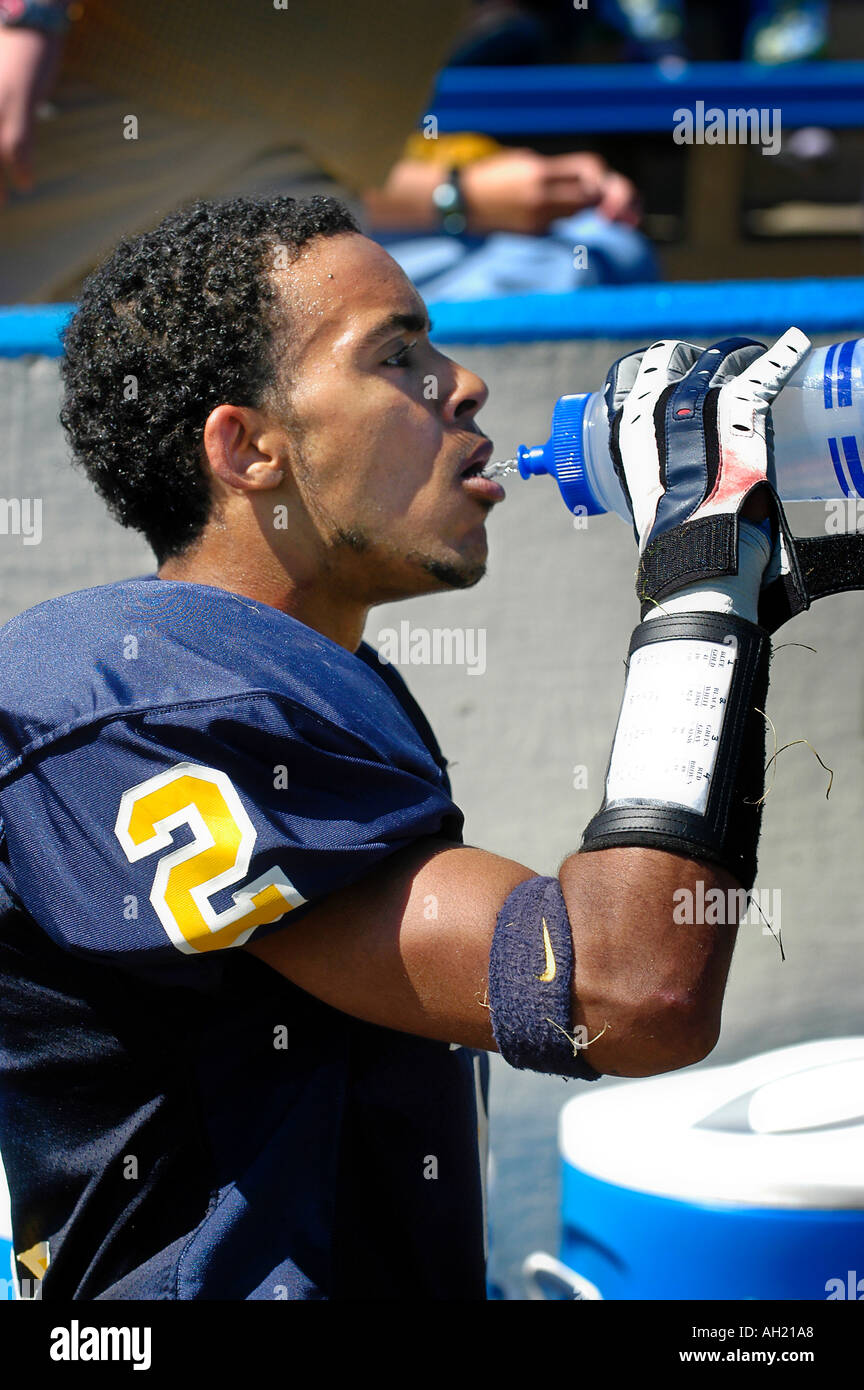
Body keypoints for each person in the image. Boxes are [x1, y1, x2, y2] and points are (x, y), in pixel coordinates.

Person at [0, 194, 812, 1300]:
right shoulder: (134, 698)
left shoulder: (301, 678)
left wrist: (736, 588)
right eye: (397, 356)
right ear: (250, 449)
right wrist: (704, 577)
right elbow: (626, 989)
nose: (463, 383)